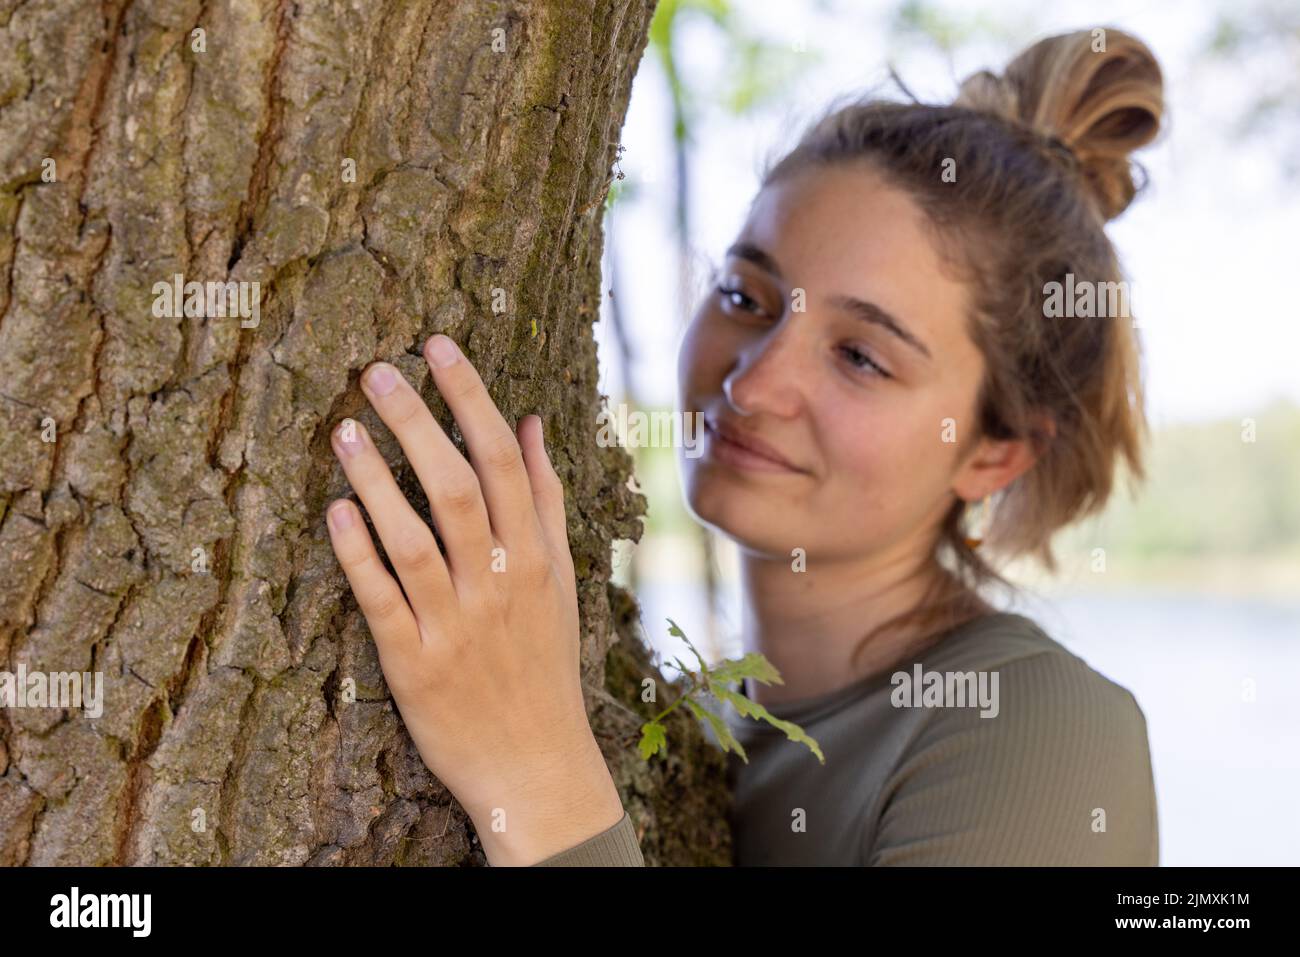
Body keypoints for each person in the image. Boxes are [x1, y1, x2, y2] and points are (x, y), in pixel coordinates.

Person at [323, 26, 1163, 866]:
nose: (752, 386)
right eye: (746, 296)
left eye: (862, 356)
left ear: (997, 451)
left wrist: (534, 768)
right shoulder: (700, 724)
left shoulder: (1042, 727)